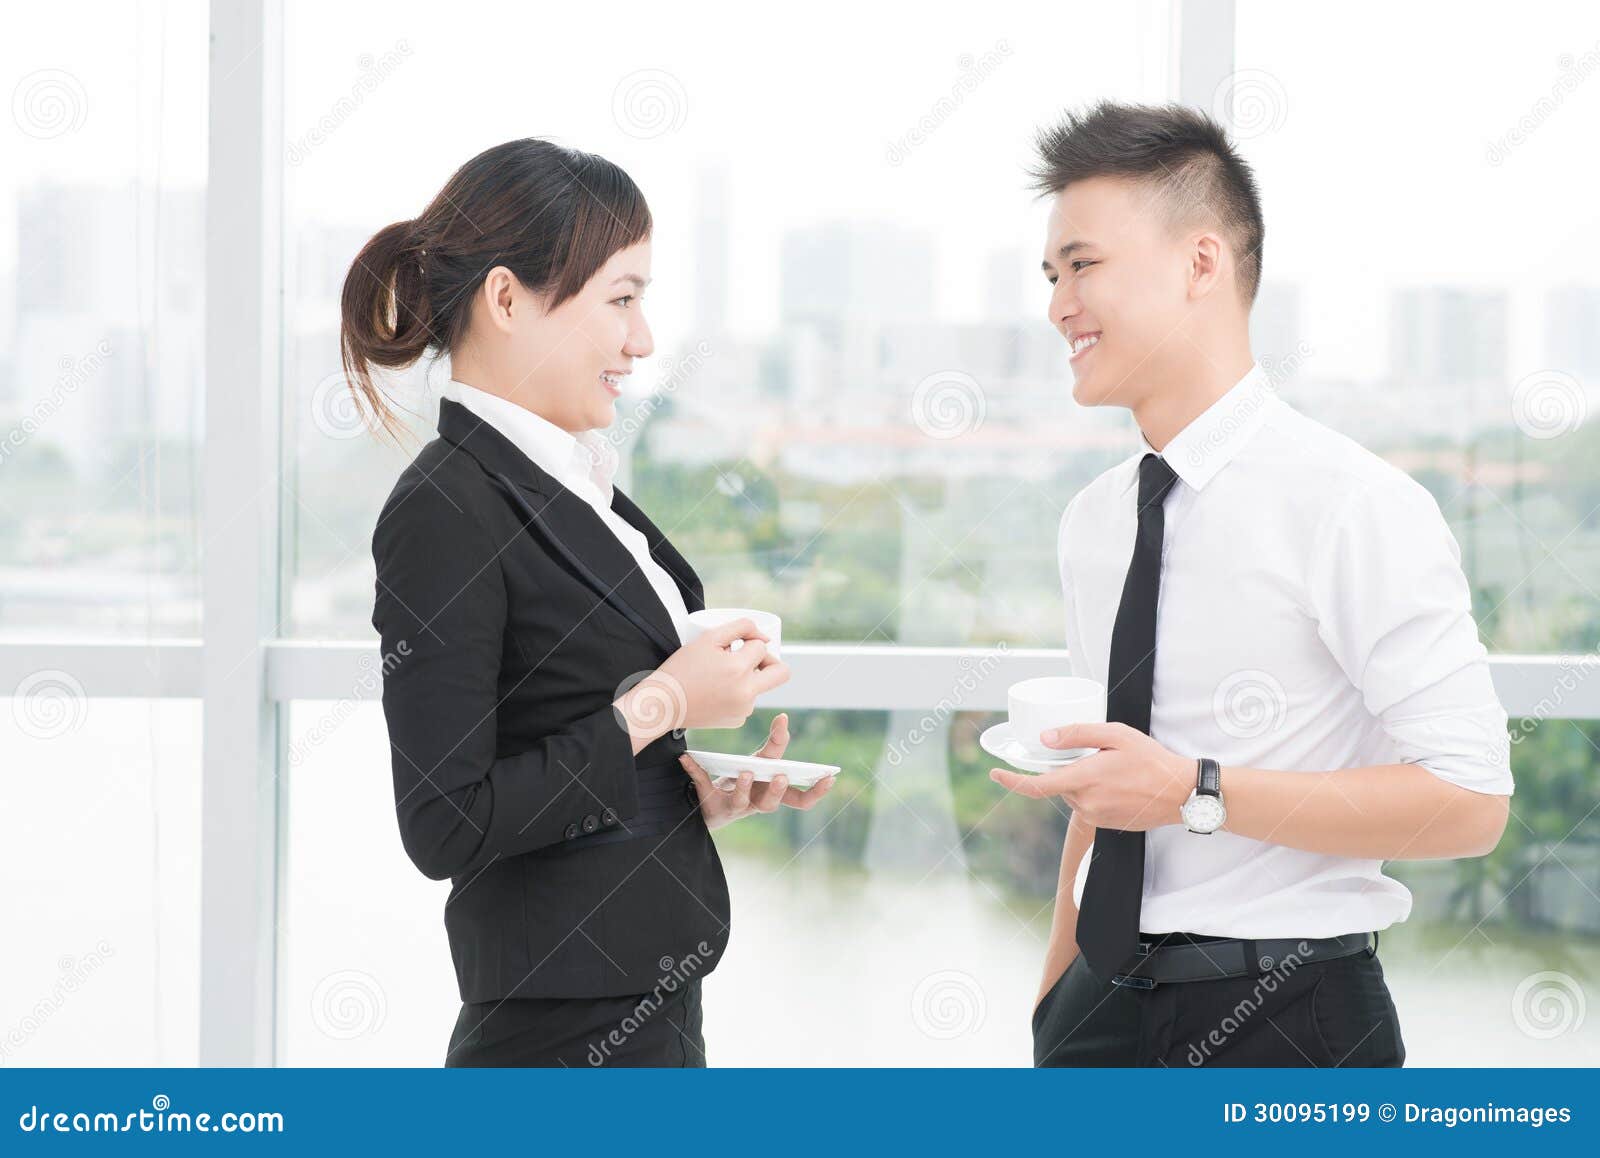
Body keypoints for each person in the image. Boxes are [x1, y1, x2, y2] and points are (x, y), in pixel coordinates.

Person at [991, 102, 1513, 1067]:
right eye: (1052, 275)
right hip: (1096, 1015)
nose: (1059, 304)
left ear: (1201, 265)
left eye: (1085, 265)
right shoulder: (1096, 521)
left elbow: (1471, 801)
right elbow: (1110, 793)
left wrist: (1195, 791)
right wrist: (1053, 1006)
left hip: (1291, 1021)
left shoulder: (1354, 503)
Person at [343, 139, 835, 1067]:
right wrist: (666, 704)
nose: (642, 340)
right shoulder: (447, 506)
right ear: (505, 300)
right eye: (621, 298)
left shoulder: (571, 483)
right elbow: (447, 822)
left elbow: (566, 742)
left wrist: (689, 797)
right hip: (557, 1039)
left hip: (647, 1004)